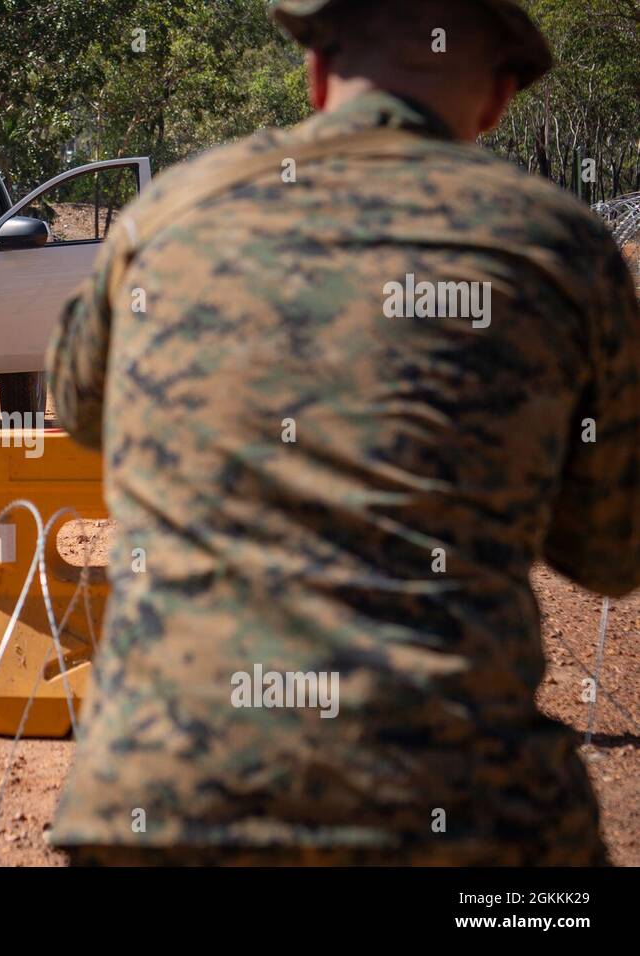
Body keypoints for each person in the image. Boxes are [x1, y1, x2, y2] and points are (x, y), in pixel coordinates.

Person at [46, 0, 640, 866]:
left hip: (161, 804)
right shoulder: (561, 248)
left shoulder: (167, 215)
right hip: (459, 817)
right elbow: (612, 552)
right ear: (498, 97)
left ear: (318, 72)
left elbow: (81, 410)